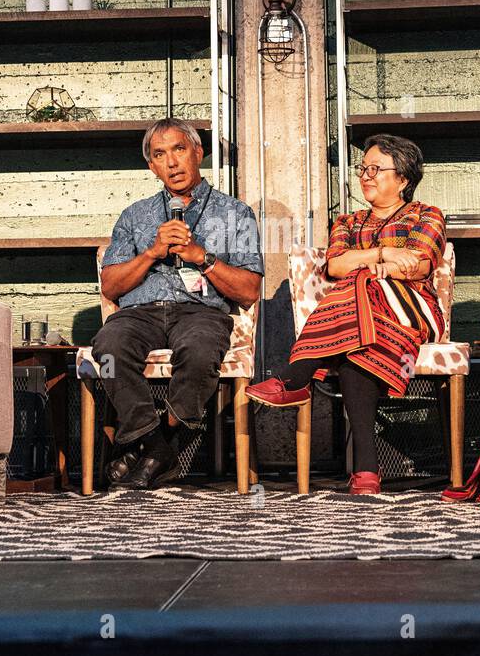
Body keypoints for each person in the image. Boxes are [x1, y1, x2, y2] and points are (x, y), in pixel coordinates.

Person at [246, 134, 445, 495]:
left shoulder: (426, 215)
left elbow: (418, 266)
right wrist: (382, 255)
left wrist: (368, 266)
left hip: (412, 313)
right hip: (363, 325)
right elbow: (335, 265)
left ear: (403, 179)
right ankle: (367, 471)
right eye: (362, 168)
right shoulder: (348, 222)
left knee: (360, 282)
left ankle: (295, 376)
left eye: (375, 169)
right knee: (357, 344)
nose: (365, 176)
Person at [92, 118, 263, 490]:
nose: (171, 162)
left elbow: (250, 290)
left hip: (200, 311)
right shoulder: (134, 216)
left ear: (198, 153)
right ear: (151, 166)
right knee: (108, 348)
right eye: (159, 154)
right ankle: (158, 447)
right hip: (140, 313)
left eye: (179, 149)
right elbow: (111, 284)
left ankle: (152, 445)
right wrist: (152, 252)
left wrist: (203, 258)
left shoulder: (236, 214)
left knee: (201, 350)